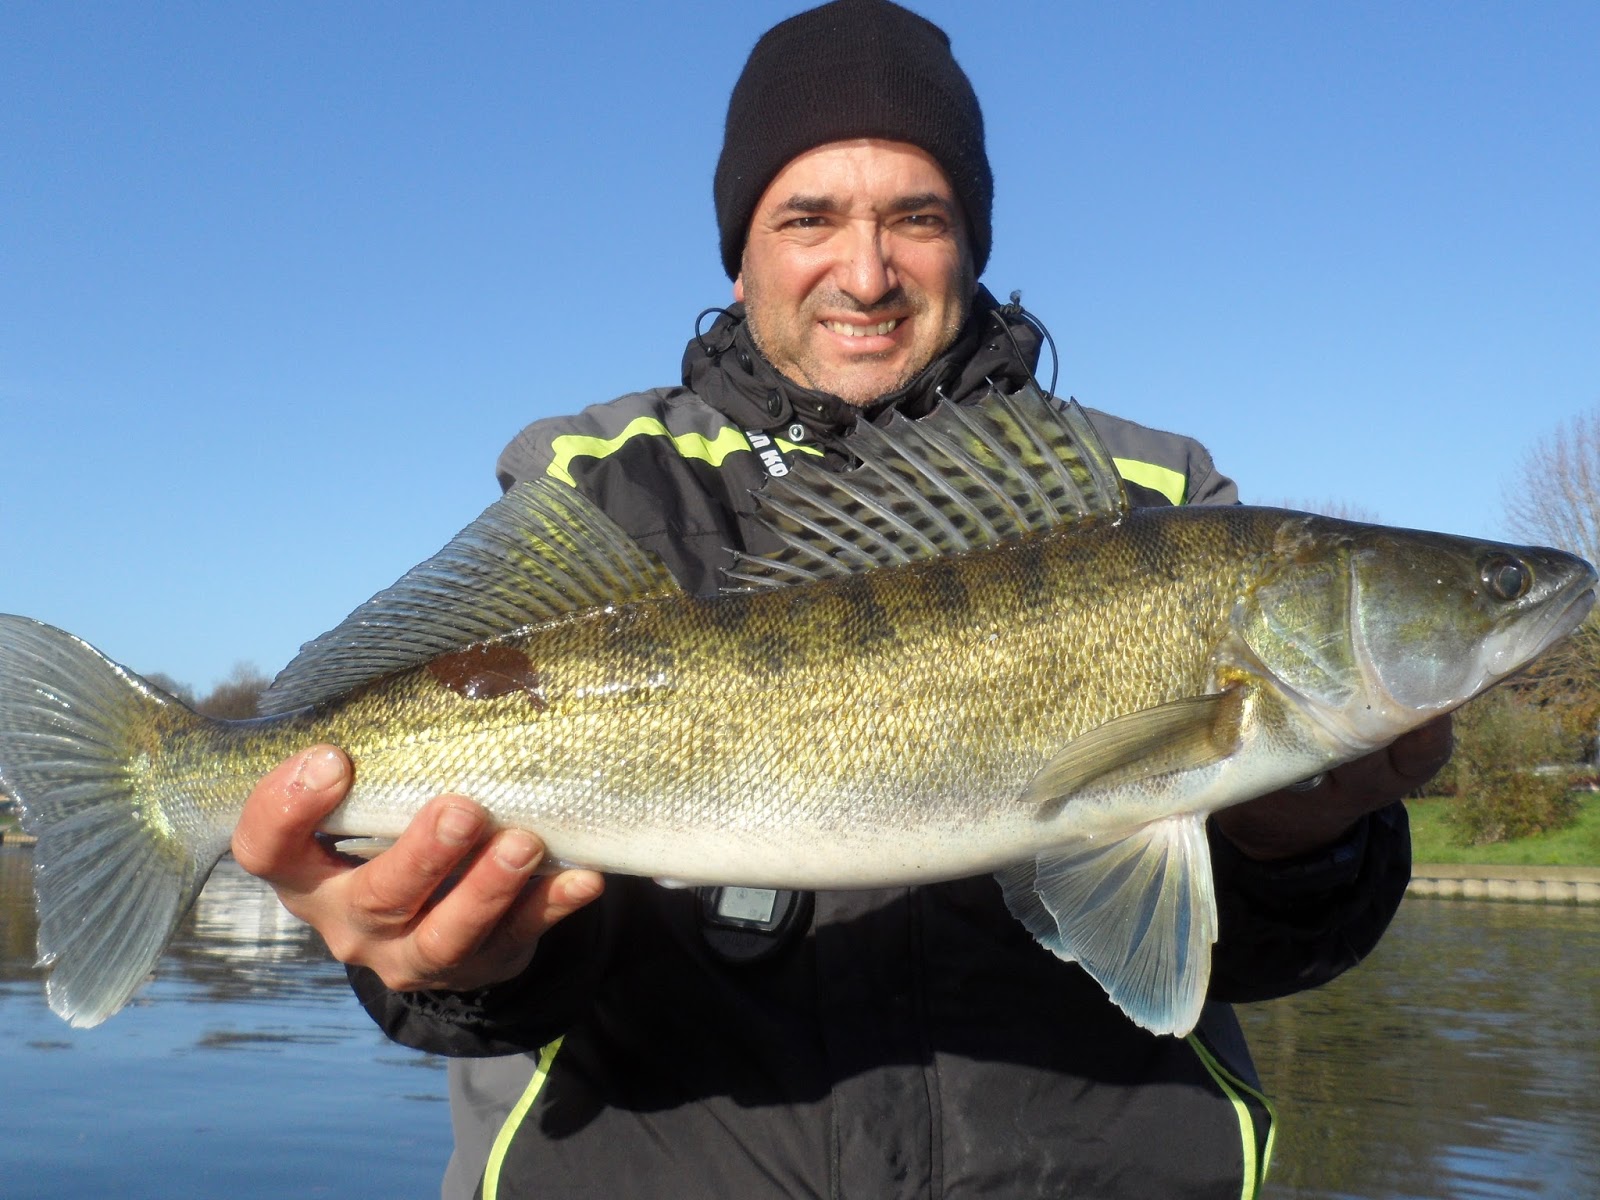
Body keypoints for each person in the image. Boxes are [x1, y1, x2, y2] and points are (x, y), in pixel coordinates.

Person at [232, 2, 1451, 1196]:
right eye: (807, 215)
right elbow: (504, 981)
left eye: (915, 217)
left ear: (968, 238)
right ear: (742, 247)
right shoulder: (599, 485)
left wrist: (1298, 850)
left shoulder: (1152, 496)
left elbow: (1259, 946)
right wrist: (452, 964)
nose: (863, 272)